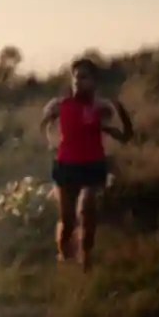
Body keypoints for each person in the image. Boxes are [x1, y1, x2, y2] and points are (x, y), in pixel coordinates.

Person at [39, 58, 133, 271]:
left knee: (87, 210)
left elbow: (120, 134)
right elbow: (43, 126)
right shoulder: (59, 105)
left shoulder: (101, 107)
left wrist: (116, 125)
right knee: (68, 221)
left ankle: (86, 260)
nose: (78, 82)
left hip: (93, 165)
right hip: (66, 166)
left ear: (94, 81)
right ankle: (65, 257)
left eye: (84, 77)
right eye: (75, 77)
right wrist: (51, 141)